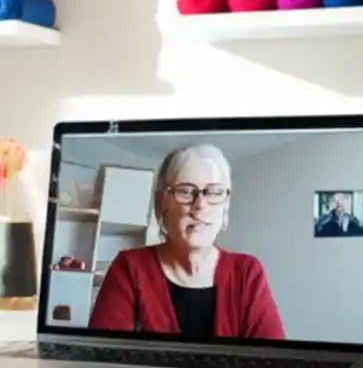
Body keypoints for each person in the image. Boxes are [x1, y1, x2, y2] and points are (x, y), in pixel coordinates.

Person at [88, 144, 285, 341]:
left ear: (225, 206)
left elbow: (272, 364)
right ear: (161, 203)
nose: (200, 205)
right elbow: (104, 361)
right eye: (186, 191)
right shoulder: (129, 268)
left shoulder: (247, 272)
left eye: (214, 192)